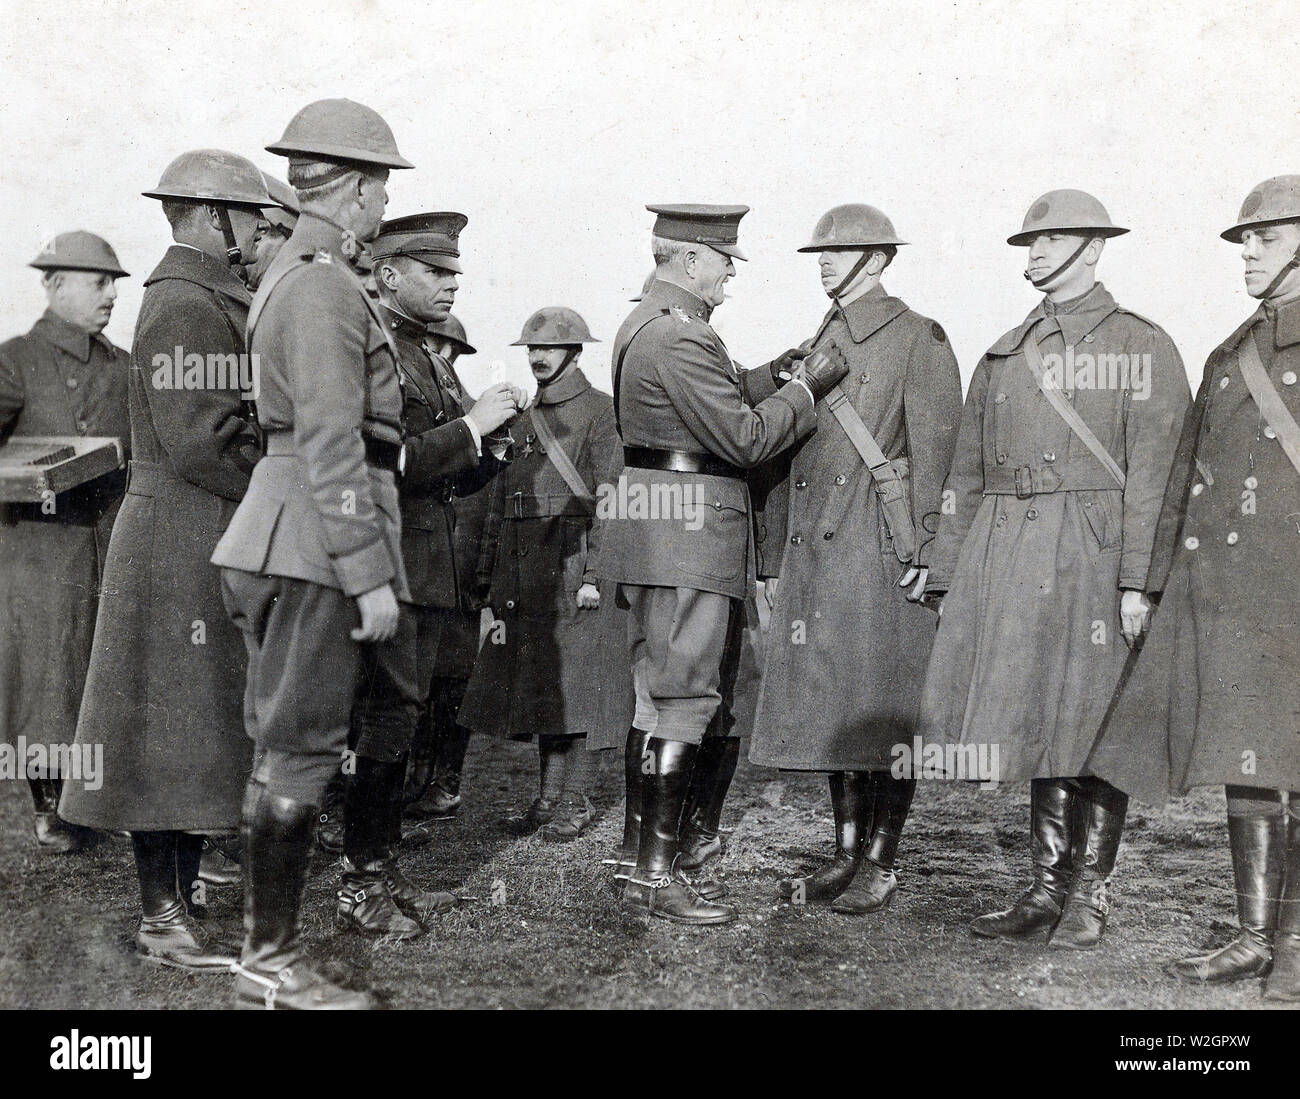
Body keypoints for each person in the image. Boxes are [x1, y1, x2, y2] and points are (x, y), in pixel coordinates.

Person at [919, 190, 1189, 949]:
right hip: (1009, 552)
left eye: (1055, 239)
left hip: (1094, 555)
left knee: (1094, 719)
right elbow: (965, 472)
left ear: (1095, 248)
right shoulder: (1004, 353)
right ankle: (1044, 887)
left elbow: (1158, 475)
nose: (1035, 254)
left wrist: (1140, 581)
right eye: (1029, 242)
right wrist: (950, 572)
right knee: (1041, 716)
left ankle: (1090, 894)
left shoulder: (1143, 346)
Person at [211, 98, 414, 1009]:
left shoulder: (290, 272)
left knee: (279, 746)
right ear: (362, 189)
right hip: (314, 539)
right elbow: (334, 438)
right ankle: (270, 963)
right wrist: (367, 573)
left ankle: (267, 952)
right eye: (382, 187)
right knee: (301, 752)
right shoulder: (327, 283)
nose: (381, 206)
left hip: (277, 527)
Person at [596, 203, 849, 924]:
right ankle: (656, 874)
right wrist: (806, 389)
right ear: (690, 259)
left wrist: (775, 369)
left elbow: (722, 391)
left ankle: (638, 855)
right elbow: (742, 437)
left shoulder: (652, 326)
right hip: (690, 539)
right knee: (685, 699)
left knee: (655, 695)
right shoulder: (680, 339)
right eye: (725, 262)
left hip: (655, 533)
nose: (731, 277)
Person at [1087, 176, 1300, 1000]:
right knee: (1251, 759)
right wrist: (1151, 582)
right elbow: (1184, 479)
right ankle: (1254, 935)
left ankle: (1292, 938)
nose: (1246, 252)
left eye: (1266, 239)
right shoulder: (1229, 352)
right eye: (1244, 240)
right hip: (1233, 591)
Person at [60, 151, 271, 972]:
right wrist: (281, 475)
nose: (257, 233)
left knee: (191, 726)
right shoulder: (185, 303)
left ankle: (176, 901)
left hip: (192, 531)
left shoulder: (196, 296)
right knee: (161, 726)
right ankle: (159, 916)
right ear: (212, 217)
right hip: (181, 533)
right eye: (249, 217)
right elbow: (199, 442)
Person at [748, 204, 962, 914]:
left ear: (878, 258)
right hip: (816, 546)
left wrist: (931, 553)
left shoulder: (917, 337)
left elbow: (939, 458)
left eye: (839, 252)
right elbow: (783, 455)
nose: (824, 262)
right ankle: (843, 852)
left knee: (884, 706)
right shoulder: (818, 340)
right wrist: (773, 557)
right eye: (820, 252)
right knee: (831, 700)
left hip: (879, 545)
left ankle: (881, 858)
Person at [332, 212, 518, 931]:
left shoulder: (424, 356)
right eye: (435, 273)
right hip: (386, 563)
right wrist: (470, 428)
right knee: (377, 723)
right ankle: (360, 882)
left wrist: (489, 451)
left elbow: (442, 479)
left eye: (453, 273)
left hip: (424, 567)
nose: (451, 284)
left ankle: (372, 870)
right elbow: (390, 462)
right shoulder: (372, 349)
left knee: (396, 720)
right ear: (387, 274)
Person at [459, 307, 625, 840]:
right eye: (531, 349)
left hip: (574, 568)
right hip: (523, 576)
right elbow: (498, 499)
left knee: (579, 690)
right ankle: (547, 799)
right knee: (544, 689)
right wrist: (487, 576)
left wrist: (596, 574)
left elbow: (613, 500)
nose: (538, 357)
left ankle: (573, 801)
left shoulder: (602, 412)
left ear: (575, 353)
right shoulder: (523, 418)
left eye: (550, 348)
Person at [0, 232, 130, 853]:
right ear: (53, 284)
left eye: (113, 284)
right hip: (41, 554)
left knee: (101, 672)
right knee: (46, 677)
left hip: (109, 544)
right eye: (98, 281)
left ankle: (97, 800)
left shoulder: (124, 364)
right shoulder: (14, 360)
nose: (111, 294)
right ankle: (50, 809)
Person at [402, 312, 497, 823]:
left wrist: (482, 576)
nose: (447, 360)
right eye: (439, 348)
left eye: (454, 353)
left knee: (454, 685)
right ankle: (410, 786)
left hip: (461, 580)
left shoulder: (471, 416)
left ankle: (443, 781)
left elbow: (487, 500)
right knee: (405, 690)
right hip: (422, 568)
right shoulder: (441, 419)